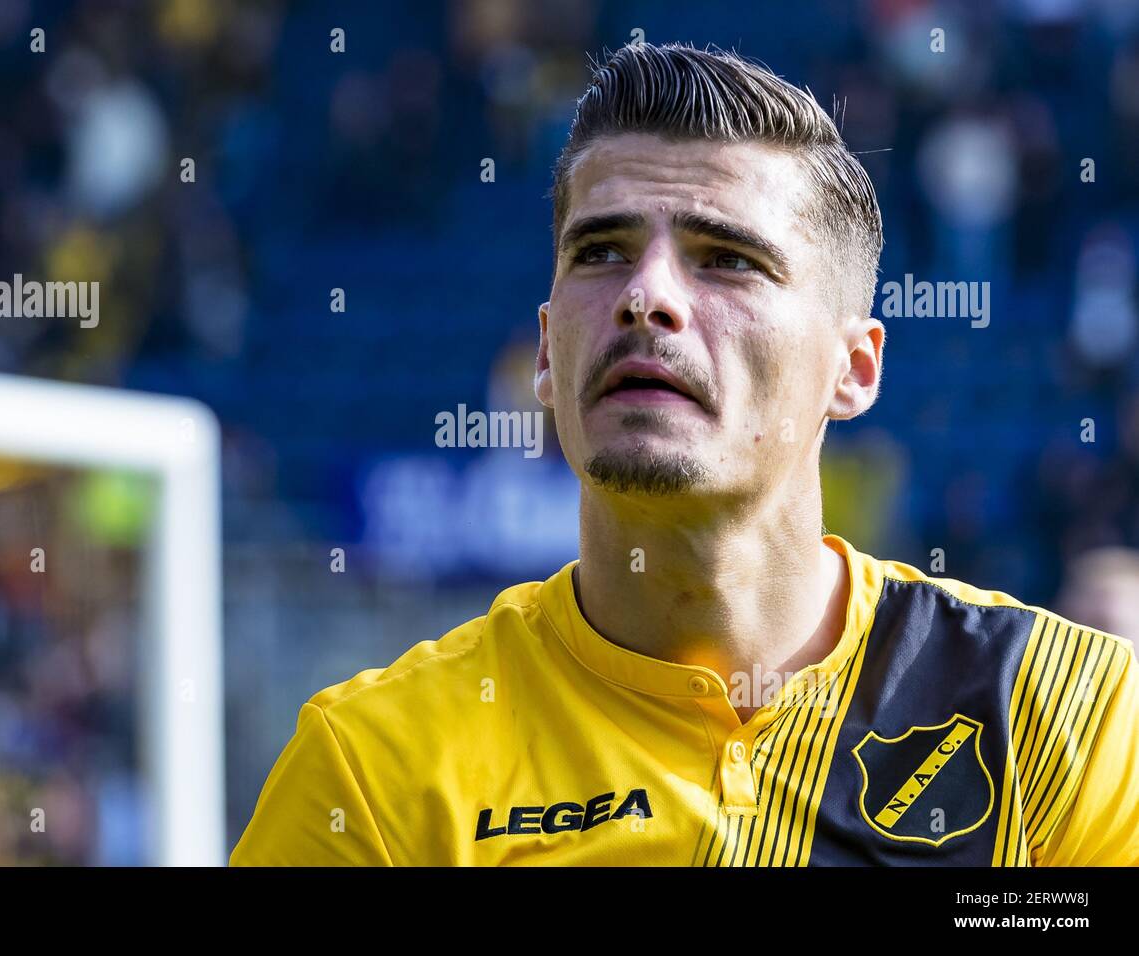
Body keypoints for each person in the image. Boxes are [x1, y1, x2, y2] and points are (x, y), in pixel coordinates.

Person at [232, 43, 1139, 866]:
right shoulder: (373, 774)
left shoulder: (1072, 723)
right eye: (602, 250)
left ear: (853, 368)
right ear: (547, 353)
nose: (646, 296)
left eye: (727, 260)